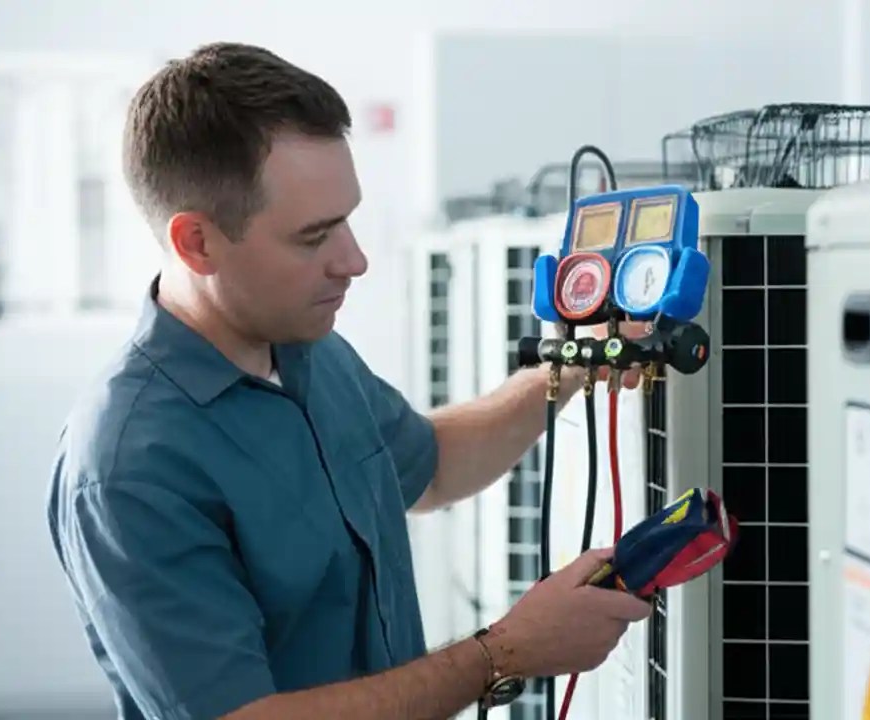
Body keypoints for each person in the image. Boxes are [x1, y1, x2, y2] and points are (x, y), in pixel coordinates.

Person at [45, 41, 651, 720]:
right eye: (314, 237)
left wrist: (567, 367)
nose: (355, 260)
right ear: (198, 244)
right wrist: (504, 653)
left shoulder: (311, 350)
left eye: (349, 219)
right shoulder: (129, 465)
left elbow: (434, 464)